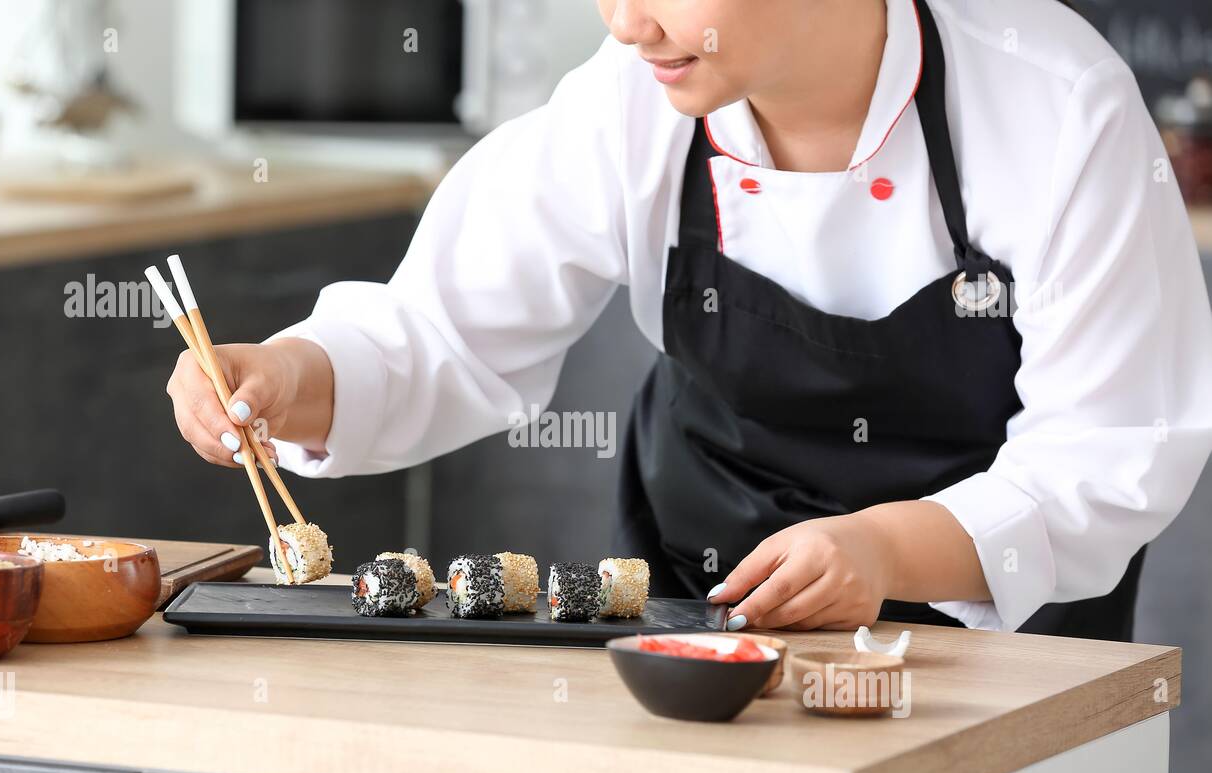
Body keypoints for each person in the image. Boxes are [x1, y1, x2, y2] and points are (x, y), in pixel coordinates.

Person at [166, 0, 1212, 640]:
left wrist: (886, 551)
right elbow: (443, 328)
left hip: (999, 638)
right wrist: (290, 373)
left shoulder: (1053, 100)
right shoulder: (626, 101)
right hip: (700, 615)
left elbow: (1107, 449)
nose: (625, 23)